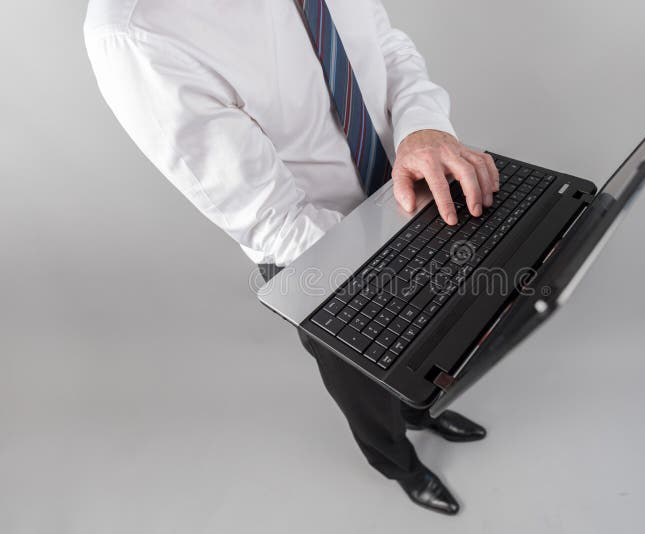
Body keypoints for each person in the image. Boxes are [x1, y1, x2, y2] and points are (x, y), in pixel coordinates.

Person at [85, 0, 499, 515]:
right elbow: (272, 221)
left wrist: (425, 128)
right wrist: (417, 277)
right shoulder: (137, 35)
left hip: (409, 201)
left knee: (428, 350)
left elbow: (386, 49)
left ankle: (422, 410)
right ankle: (399, 463)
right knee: (363, 380)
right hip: (314, 252)